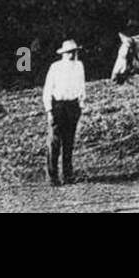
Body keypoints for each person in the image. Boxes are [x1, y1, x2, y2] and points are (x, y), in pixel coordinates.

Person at [42, 39, 86, 186]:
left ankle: (68, 175)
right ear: (63, 53)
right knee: (54, 142)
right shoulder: (55, 67)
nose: (72, 55)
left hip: (72, 106)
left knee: (69, 142)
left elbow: (82, 86)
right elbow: (47, 90)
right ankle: (52, 177)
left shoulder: (79, 66)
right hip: (58, 106)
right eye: (68, 52)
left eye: (74, 52)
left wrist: (81, 104)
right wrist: (49, 110)